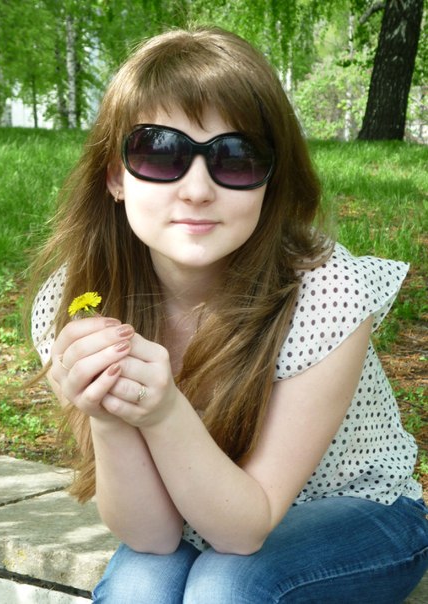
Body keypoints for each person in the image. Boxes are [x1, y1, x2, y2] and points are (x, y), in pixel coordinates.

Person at [30, 26, 427, 603]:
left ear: (270, 180)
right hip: (201, 519)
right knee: (140, 582)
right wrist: (108, 417)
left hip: (366, 514)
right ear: (115, 176)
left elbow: (244, 531)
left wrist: (163, 411)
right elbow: (152, 537)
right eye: (159, 152)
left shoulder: (323, 290)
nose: (197, 190)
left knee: (228, 583)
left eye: (235, 158)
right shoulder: (73, 303)